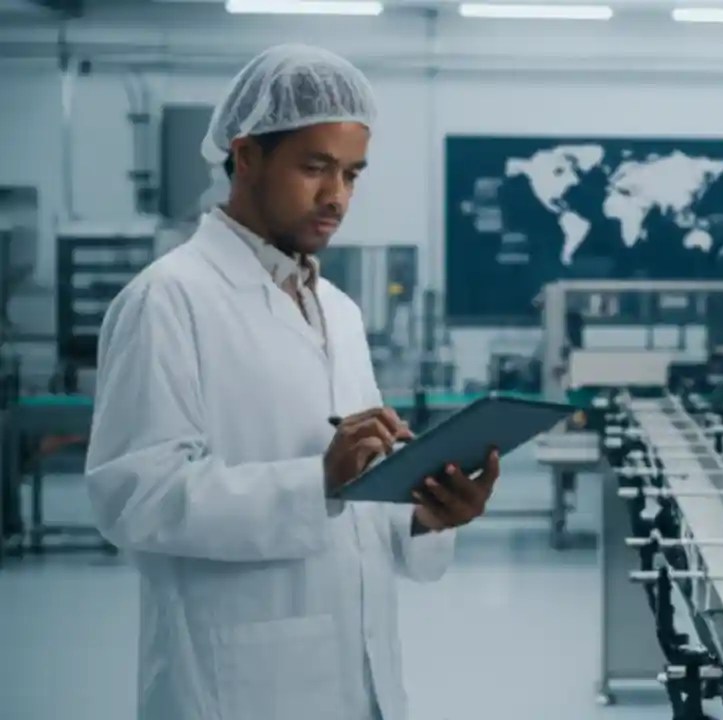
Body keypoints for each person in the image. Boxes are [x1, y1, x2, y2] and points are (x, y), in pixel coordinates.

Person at [84, 44, 499, 720]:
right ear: (246, 156)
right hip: (233, 684)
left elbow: (362, 509)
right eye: (314, 168)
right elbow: (135, 495)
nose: (336, 196)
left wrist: (426, 515)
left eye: (352, 174)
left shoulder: (338, 310)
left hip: (360, 677)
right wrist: (317, 481)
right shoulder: (169, 298)